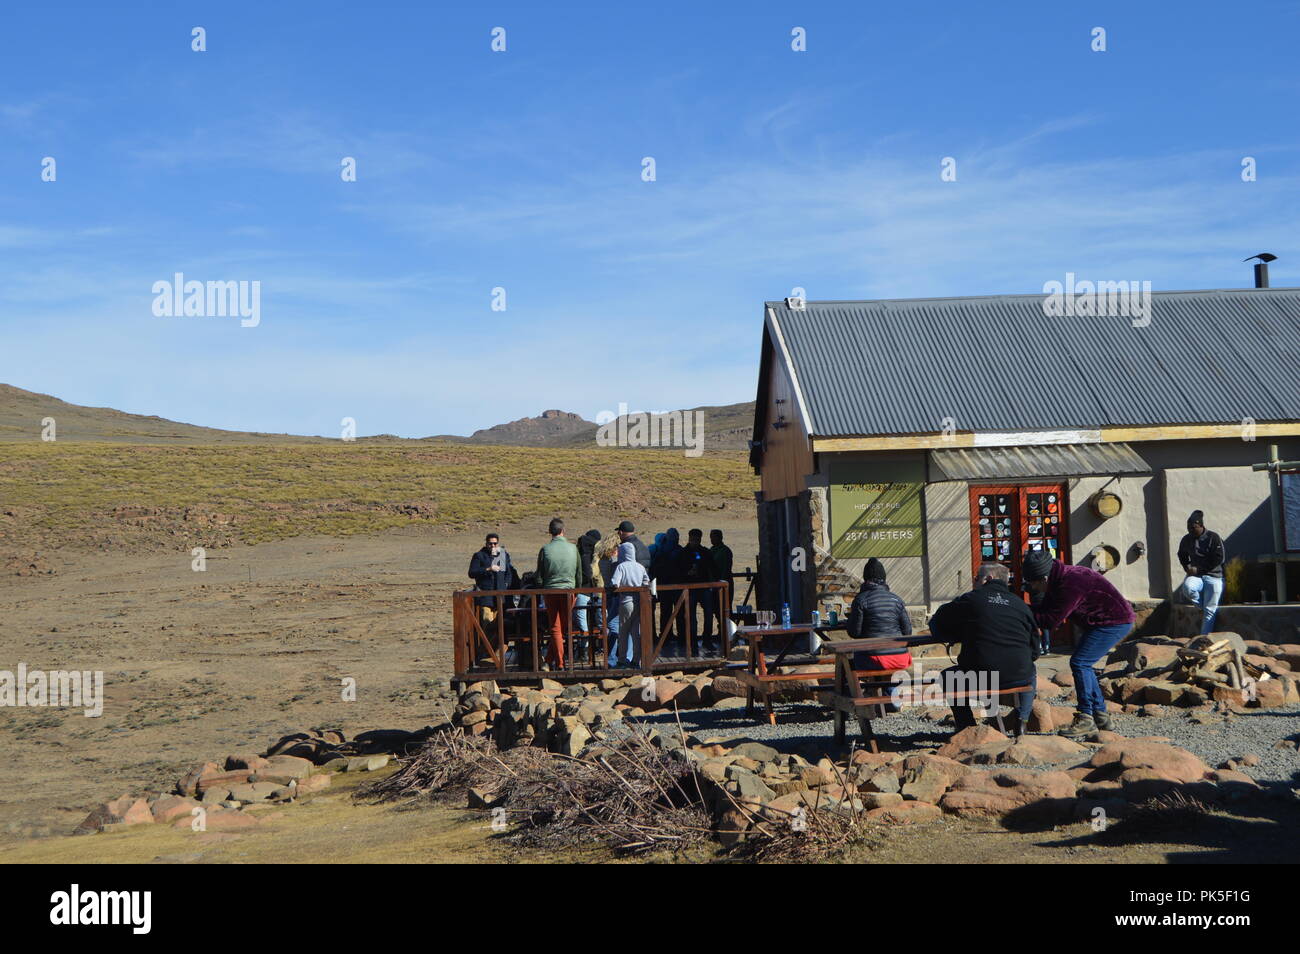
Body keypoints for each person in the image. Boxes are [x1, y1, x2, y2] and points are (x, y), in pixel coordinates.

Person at [1022, 549, 1134, 741]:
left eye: (1033, 583)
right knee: (1084, 664)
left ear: (1045, 578)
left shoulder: (1071, 583)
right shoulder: (1057, 580)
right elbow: (1044, 609)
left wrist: (1020, 612)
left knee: (1080, 662)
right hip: (1099, 623)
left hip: (1114, 621)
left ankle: (1085, 717)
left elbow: (1051, 620)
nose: (1032, 588)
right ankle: (1100, 716)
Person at [928, 563, 1037, 735]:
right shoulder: (1020, 605)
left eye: (977, 578)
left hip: (981, 675)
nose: (974, 581)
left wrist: (951, 634)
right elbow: (1035, 650)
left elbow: (939, 620)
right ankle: (1022, 721)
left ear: (988, 579)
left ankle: (967, 726)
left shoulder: (971, 599)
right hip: (1017, 675)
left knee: (948, 677)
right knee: (1031, 672)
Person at [846, 558, 913, 675]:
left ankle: (868, 690)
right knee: (888, 682)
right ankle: (889, 690)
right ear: (884, 578)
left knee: (848, 661)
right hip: (900, 657)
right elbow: (907, 631)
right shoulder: (897, 599)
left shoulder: (861, 600)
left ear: (865, 578)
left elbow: (854, 633)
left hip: (873, 658)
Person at [536, 517, 581, 670]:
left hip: (551, 591)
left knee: (556, 628)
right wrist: (577, 590)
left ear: (550, 532)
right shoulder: (573, 548)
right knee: (561, 628)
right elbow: (579, 573)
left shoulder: (545, 549)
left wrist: (543, 586)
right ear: (563, 530)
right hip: (569, 591)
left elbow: (539, 575)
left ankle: (556, 662)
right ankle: (553, 661)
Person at [1177, 510, 1226, 635]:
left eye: (1193, 527)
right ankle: (1201, 606)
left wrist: (1200, 569)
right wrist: (1186, 567)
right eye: (1188, 528)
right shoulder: (1187, 539)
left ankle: (1204, 638)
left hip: (1214, 577)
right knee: (1188, 588)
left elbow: (1219, 558)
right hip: (1197, 577)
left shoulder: (1213, 537)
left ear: (1201, 526)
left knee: (1210, 610)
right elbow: (1181, 554)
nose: (1190, 530)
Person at [468, 533, 514, 664]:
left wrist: (506, 585)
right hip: (486, 596)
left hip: (500, 598)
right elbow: (472, 573)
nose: (492, 546)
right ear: (486, 543)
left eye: (495, 543)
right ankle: (487, 653)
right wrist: (488, 568)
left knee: (500, 624)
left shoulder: (502, 555)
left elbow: (508, 573)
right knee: (487, 623)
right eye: (490, 543)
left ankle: (497, 653)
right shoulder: (479, 556)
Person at [609, 541, 651, 667]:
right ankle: (636, 659)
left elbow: (614, 582)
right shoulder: (640, 567)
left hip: (626, 601)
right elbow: (646, 582)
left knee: (623, 632)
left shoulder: (622, 566)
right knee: (635, 632)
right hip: (639, 601)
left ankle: (622, 659)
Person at [678, 529, 716, 650]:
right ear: (689, 538)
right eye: (693, 539)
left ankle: (707, 640)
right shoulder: (683, 553)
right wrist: (687, 573)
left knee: (709, 614)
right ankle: (693, 643)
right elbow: (678, 571)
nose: (695, 542)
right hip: (690, 589)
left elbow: (713, 567)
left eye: (697, 540)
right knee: (691, 617)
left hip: (704, 587)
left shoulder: (705, 552)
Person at [651, 527, 685, 653]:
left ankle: (665, 637)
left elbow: (655, 568)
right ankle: (682, 638)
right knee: (680, 614)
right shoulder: (680, 550)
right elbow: (684, 568)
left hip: (664, 587)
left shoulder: (661, 550)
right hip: (678, 587)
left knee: (666, 613)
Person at [573, 529, 603, 648]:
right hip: (596, 590)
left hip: (581, 590)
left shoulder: (580, 551)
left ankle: (584, 649)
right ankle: (601, 647)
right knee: (599, 619)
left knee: (581, 620)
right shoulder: (597, 552)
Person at [709, 529, 734, 641]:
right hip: (714, 584)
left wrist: (721, 583)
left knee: (725, 609)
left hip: (723, 584)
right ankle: (721, 632)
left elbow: (725, 569)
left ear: (720, 537)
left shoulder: (725, 551)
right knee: (717, 610)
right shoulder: (712, 550)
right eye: (711, 537)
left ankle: (729, 634)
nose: (712, 539)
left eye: (714, 537)